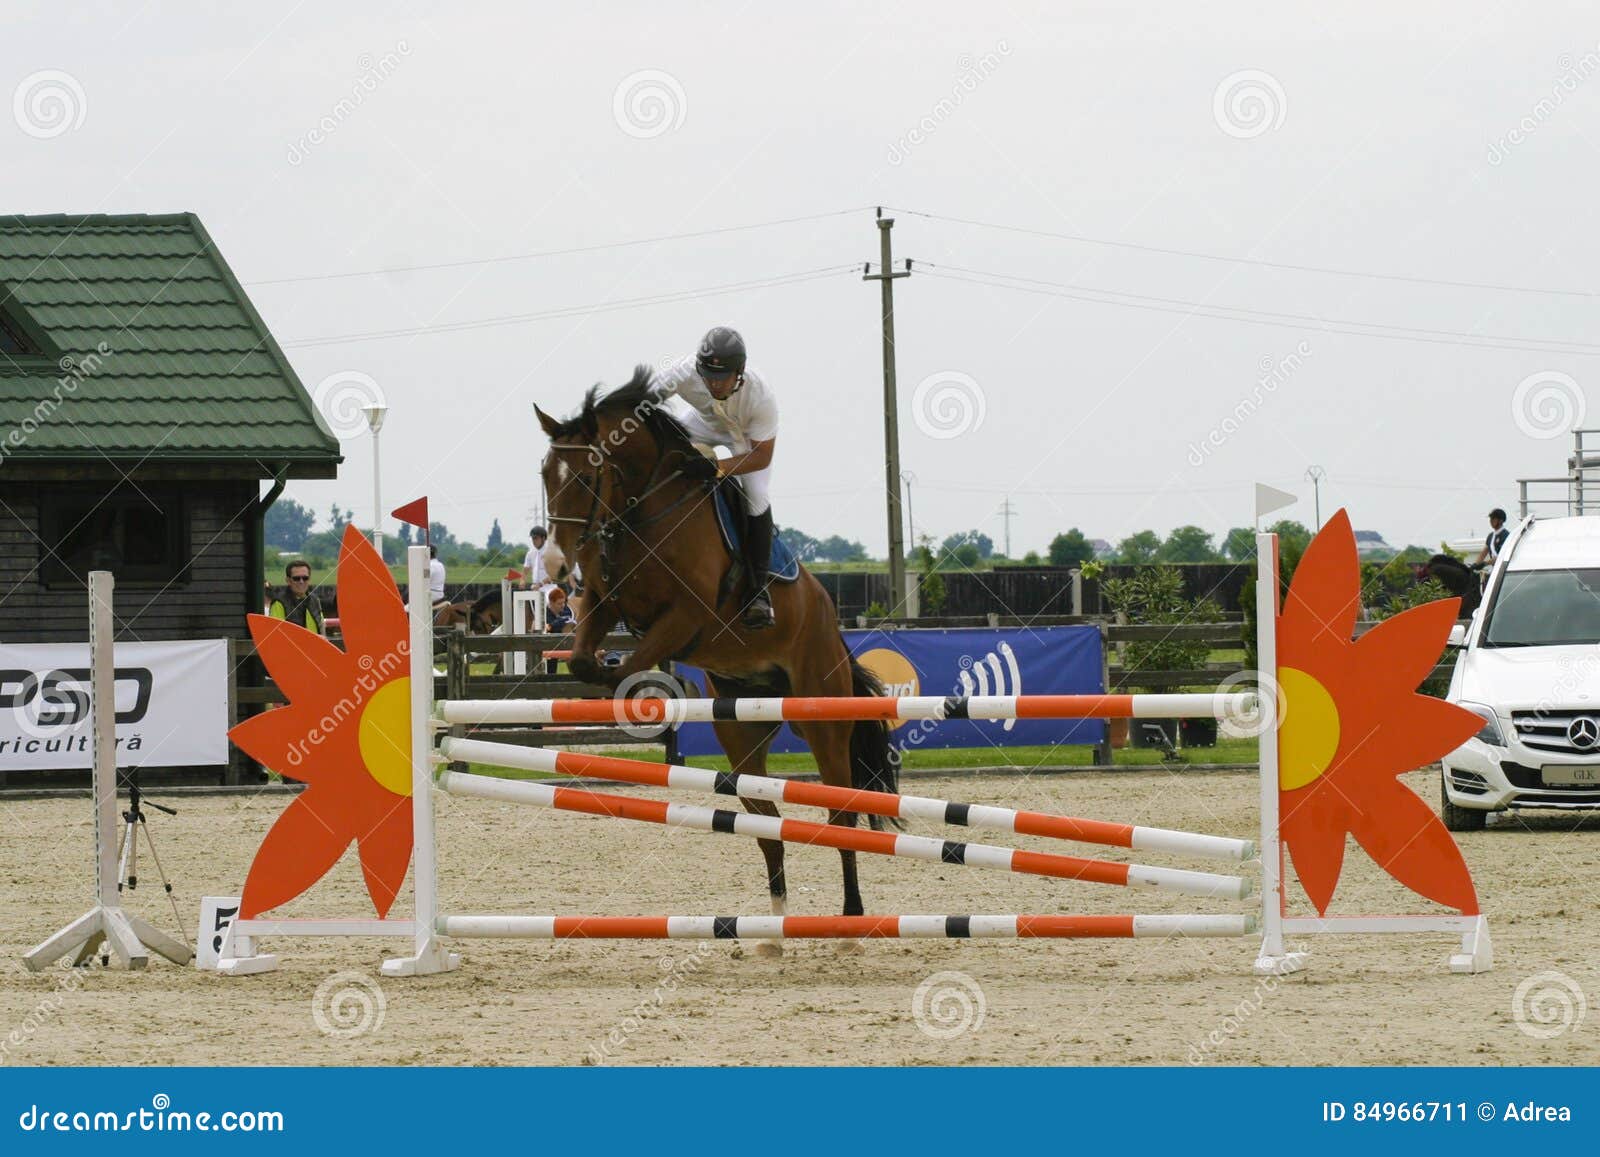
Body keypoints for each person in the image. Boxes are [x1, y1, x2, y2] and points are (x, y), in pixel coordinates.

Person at [650, 325, 779, 629]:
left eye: (722, 377)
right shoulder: (682, 372)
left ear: (740, 372)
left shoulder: (761, 398)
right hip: (703, 424)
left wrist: (717, 467)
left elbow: (762, 457)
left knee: (757, 497)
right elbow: (643, 401)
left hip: (745, 440)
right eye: (708, 375)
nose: (714, 383)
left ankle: (758, 593)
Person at [266, 561, 325, 634]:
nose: (301, 581)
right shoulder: (279, 602)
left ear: (309, 579)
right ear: (288, 580)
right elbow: (276, 634)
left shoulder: (315, 600)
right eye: (296, 578)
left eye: (305, 578)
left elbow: (322, 627)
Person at [522, 525, 552, 591]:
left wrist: (541, 584)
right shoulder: (530, 553)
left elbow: (553, 575)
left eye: (536, 538)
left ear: (543, 538)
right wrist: (523, 580)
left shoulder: (550, 553)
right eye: (532, 538)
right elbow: (525, 570)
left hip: (549, 587)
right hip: (535, 587)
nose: (534, 541)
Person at [428, 545, 448, 610]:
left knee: (406, 608)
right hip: (440, 595)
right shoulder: (441, 565)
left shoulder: (428, 565)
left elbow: (424, 581)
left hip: (431, 596)